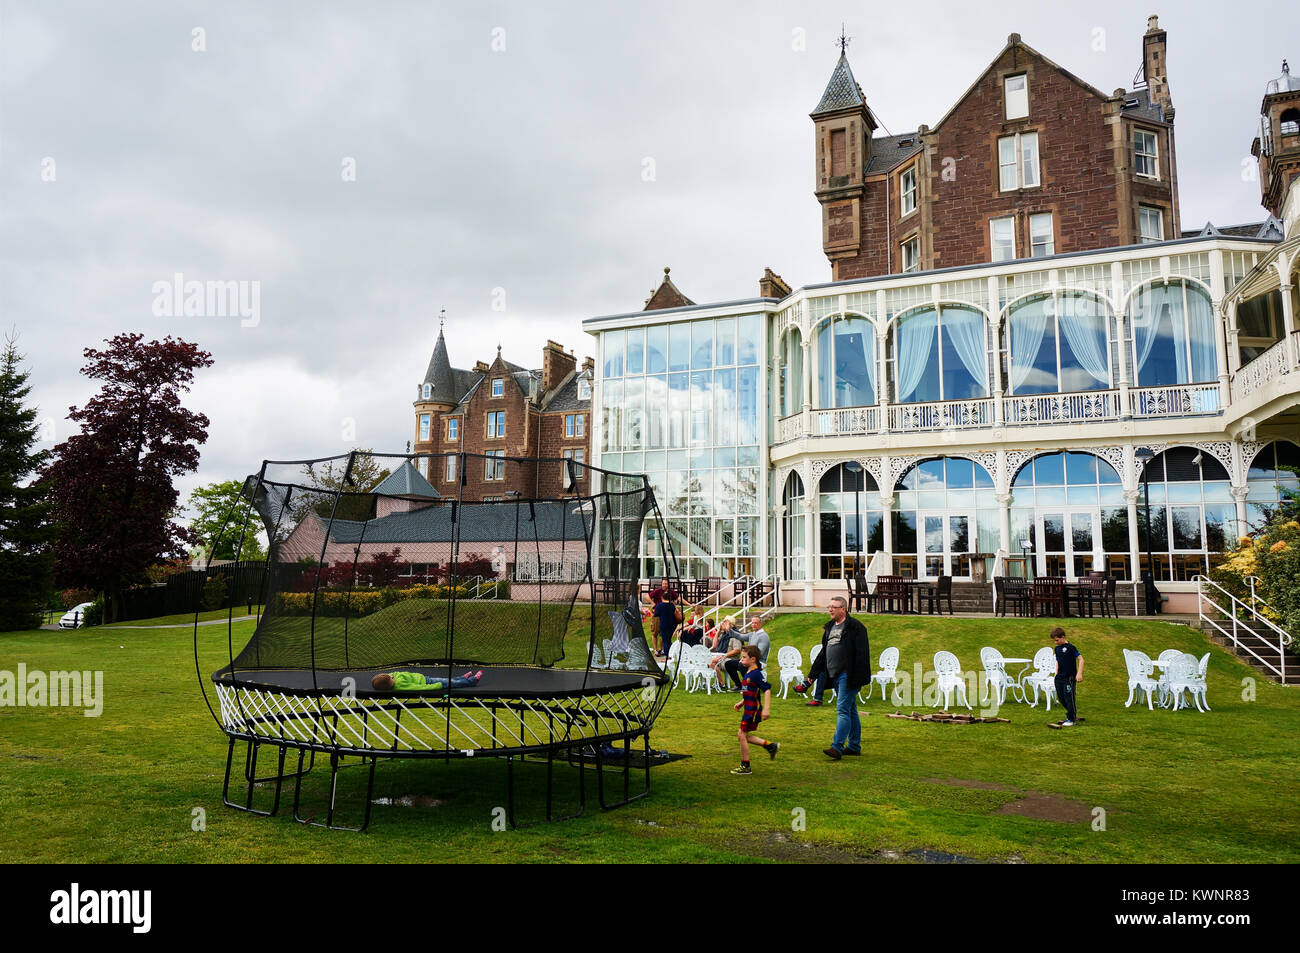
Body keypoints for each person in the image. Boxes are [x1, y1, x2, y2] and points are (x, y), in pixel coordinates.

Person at [794, 596, 870, 760]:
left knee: (842, 709)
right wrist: (810, 678)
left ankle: (837, 747)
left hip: (849, 676)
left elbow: (862, 655)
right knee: (851, 710)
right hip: (834, 674)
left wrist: (857, 678)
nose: (830, 609)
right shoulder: (829, 628)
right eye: (829, 606)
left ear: (843, 609)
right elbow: (823, 654)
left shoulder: (855, 627)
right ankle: (854, 746)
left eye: (834, 607)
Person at [730, 644, 778, 775]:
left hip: (753, 710)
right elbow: (750, 692)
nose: (741, 660)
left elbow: (767, 690)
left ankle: (745, 766)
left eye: (744, 657)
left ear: (753, 659)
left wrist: (766, 709)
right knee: (743, 736)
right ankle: (770, 745)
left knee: (741, 735)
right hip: (748, 709)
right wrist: (741, 703)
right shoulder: (748, 673)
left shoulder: (756, 674)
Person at [715, 615, 771, 690]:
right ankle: (739, 685)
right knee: (728, 664)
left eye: (756, 623)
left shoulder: (764, 636)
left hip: (758, 662)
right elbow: (740, 636)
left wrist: (745, 659)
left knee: (742, 664)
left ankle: (749, 686)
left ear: (760, 624)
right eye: (752, 623)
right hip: (749, 659)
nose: (753, 625)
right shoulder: (752, 634)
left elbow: (759, 654)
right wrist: (729, 630)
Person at [1050, 626, 1084, 727]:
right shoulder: (1057, 649)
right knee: (1061, 698)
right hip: (1059, 677)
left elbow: (1081, 660)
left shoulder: (1071, 648)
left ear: (1063, 637)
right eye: (1054, 641)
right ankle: (1072, 712)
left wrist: (1079, 673)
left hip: (1069, 677)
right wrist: (1056, 673)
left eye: (1057, 640)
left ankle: (1071, 719)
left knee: (1069, 697)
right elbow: (1058, 661)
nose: (1055, 642)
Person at [371, 669, 483, 692]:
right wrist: (437, 686)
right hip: (428, 683)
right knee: (450, 683)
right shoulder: (400, 685)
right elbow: (418, 688)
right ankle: (472, 681)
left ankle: (462, 678)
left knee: (448, 680)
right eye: (390, 677)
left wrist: (389, 676)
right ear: (391, 683)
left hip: (424, 678)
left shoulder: (393, 677)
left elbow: (393, 674)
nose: (392, 676)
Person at [652, 590, 680, 659]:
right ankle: (671, 652)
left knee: (665, 640)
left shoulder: (660, 605)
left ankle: (666, 655)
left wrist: (653, 610)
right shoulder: (672, 605)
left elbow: (656, 614)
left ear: (662, 598)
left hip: (664, 625)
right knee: (668, 640)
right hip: (673, 625)